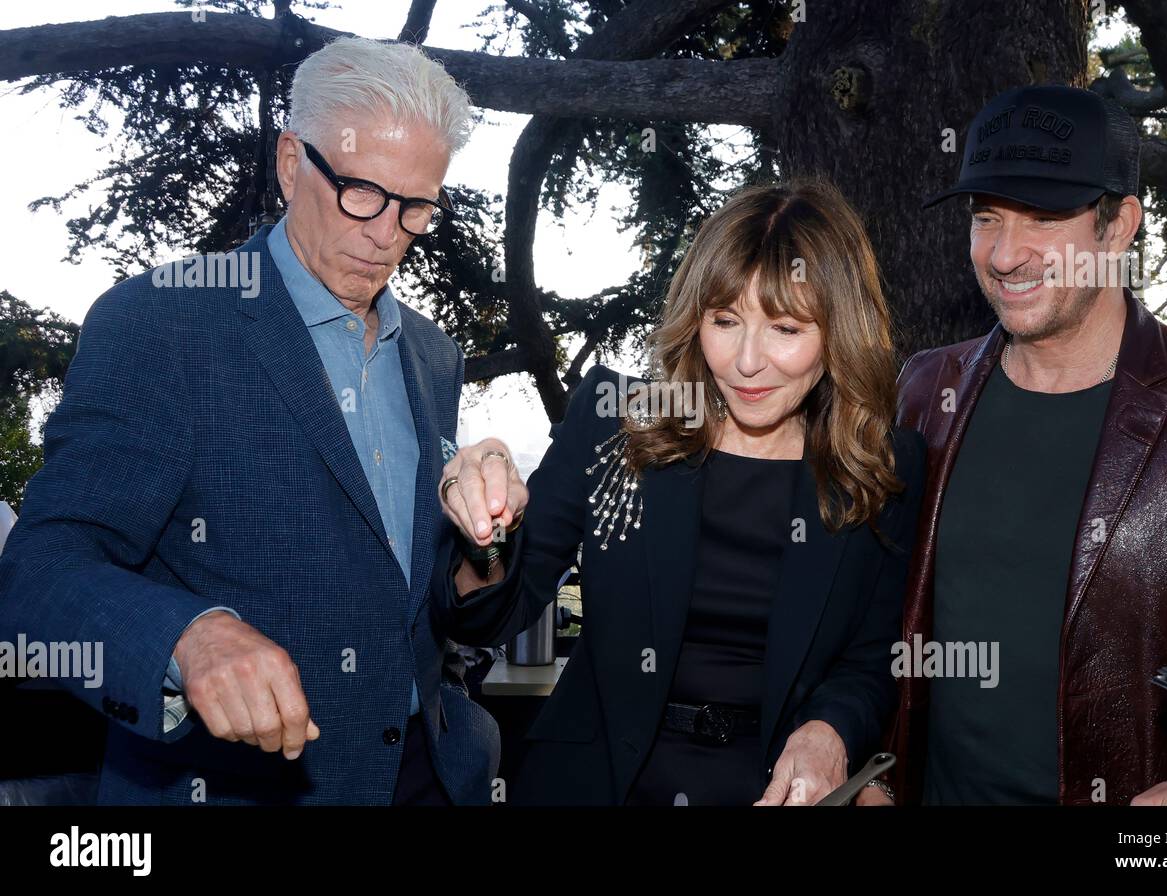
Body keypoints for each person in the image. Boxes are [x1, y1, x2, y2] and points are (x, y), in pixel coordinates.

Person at [0, 36, 536, 806]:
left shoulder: (433, 354)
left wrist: (485, 533)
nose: (387, 235)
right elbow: (38, 573)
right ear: (291, 162)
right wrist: (188, 637)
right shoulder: (161, 324)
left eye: (416, 207)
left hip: (431, 776)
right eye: (361, 191)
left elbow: (433, 604)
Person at [860, 84, 1167, 807]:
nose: (1005, 253)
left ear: (1118, 224)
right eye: (986, 216)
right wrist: (870, 760)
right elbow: (874, 610)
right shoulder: (924, 388)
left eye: (1043, 215)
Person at [508, 180, 926, 806]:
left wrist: (830, 729)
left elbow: (872, 660)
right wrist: (483, 526)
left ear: (840, 334)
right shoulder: (620, 425)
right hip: (592, 785)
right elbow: (494, 604)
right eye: (725, 320)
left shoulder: (881, 466)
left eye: (785, 328)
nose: (747, 361)